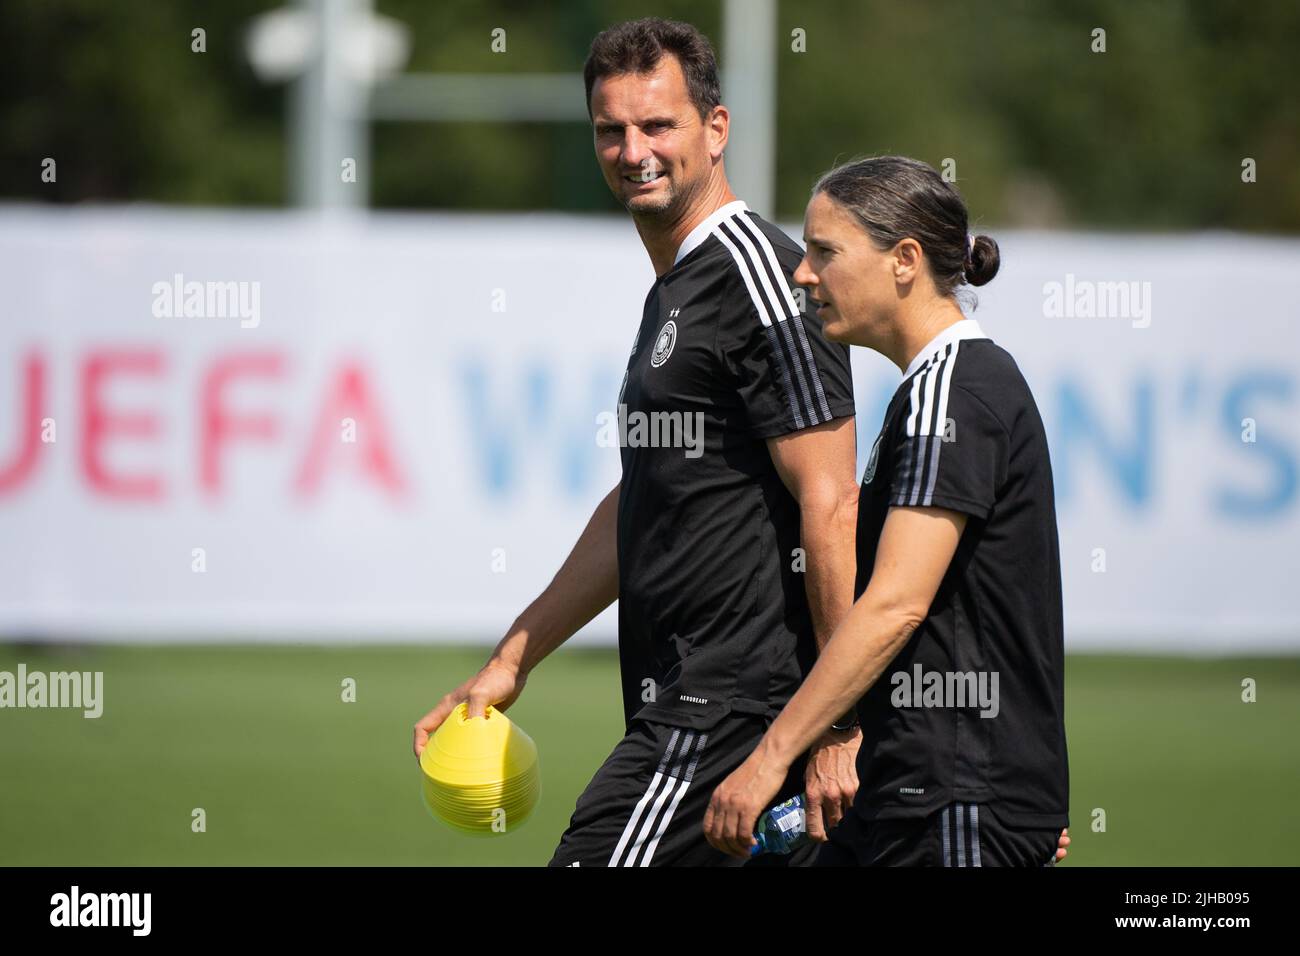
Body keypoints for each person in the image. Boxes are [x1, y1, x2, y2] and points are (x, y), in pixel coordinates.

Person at [413, 17, 863, 866]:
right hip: (700, 701)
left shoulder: (759, 276)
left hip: (729, 705)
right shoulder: (677, 287)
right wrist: (515, 657)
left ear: (716, 129)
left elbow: (832, 501)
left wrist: (839, 723)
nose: (633, 150)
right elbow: (646, 498)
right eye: (610, 130)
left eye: (658, 125)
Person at [704, 156, 1072, 866]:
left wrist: (769, 758)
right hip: (935, 797)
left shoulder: (954, 391)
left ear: (904, 261)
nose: (802, 274)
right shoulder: (937, 389)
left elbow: (896, 604)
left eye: (824, 252)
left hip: (956, 801)